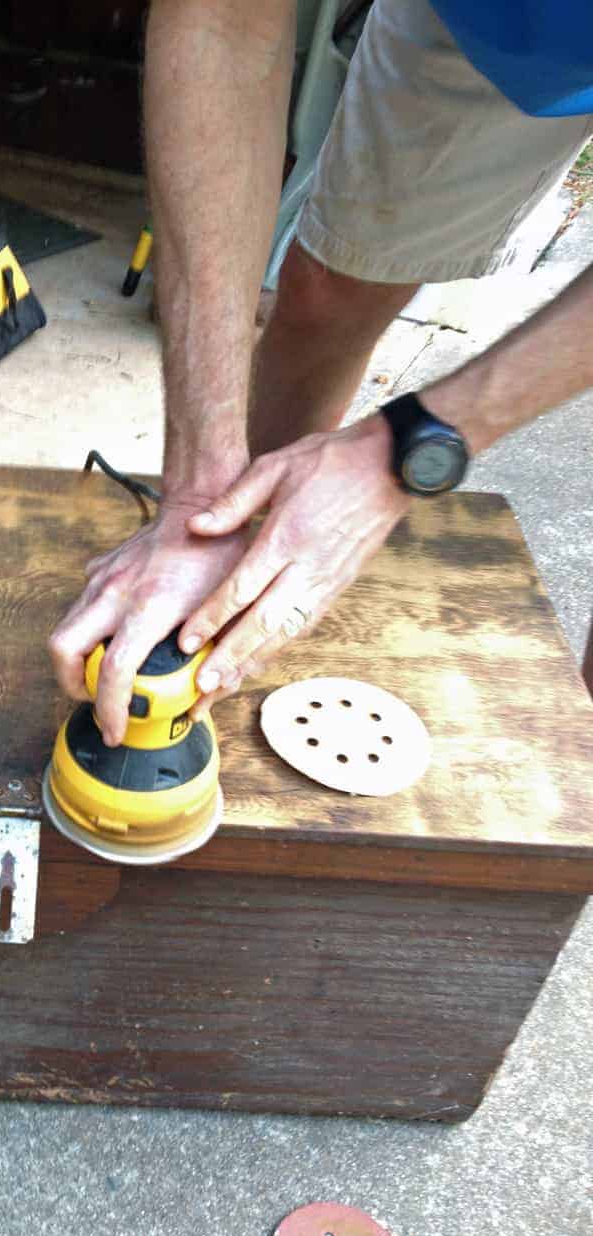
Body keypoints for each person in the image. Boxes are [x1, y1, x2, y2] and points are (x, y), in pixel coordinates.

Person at [49, 0, 593, 747]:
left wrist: (411, 445)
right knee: (327, 292)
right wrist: (204, 497)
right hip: (483, 19)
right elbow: (223, 23)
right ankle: (235, 583)